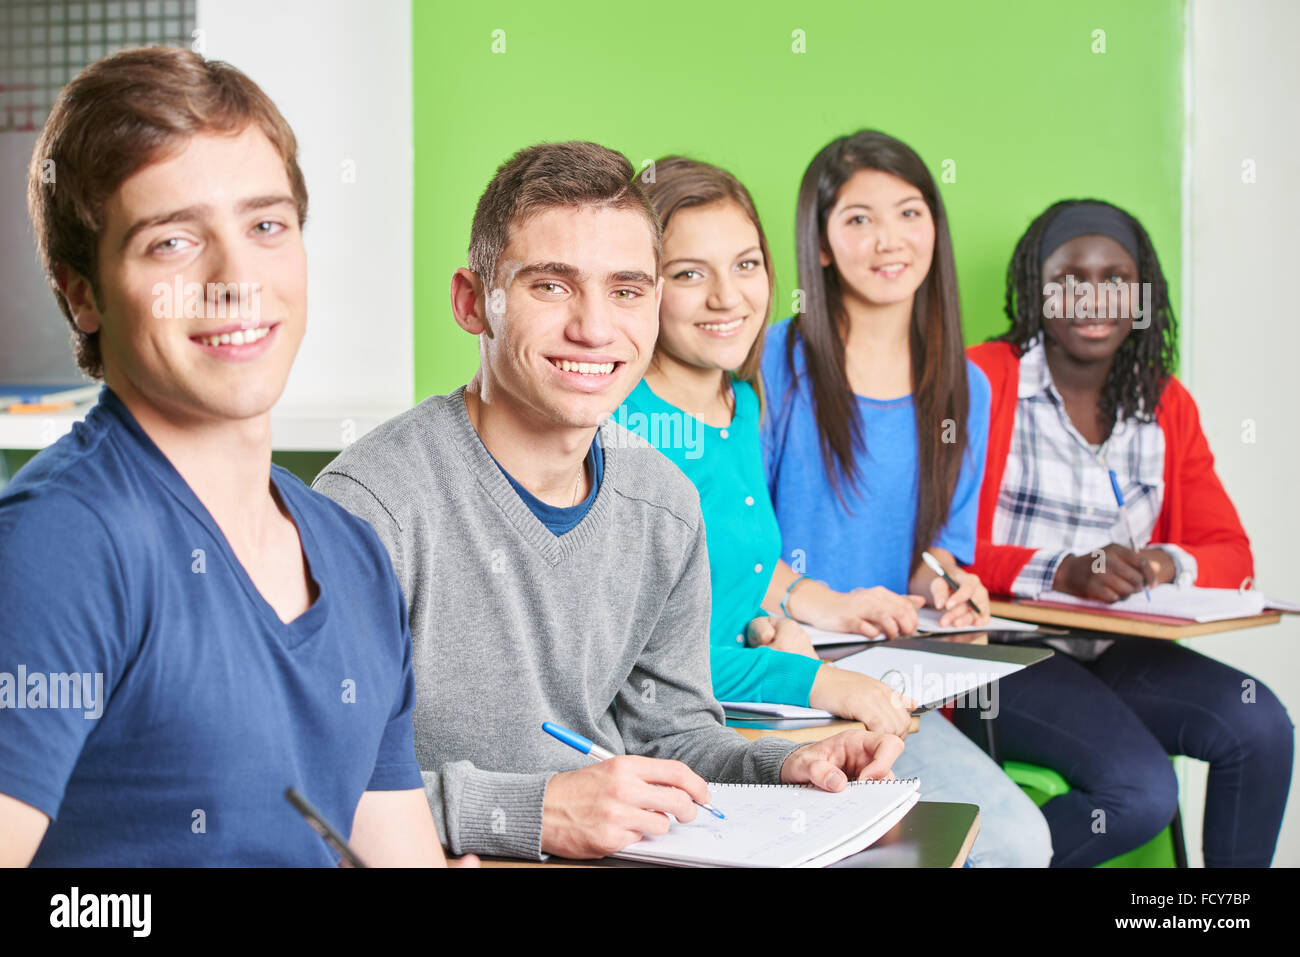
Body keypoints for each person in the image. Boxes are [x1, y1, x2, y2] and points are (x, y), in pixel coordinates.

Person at [313, 140, 905, 862]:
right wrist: (537, 810)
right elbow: (307, 783)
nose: (594, 328)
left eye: (626, 290)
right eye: (550, 286)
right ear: (473, 303)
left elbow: (672, 735)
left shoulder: (665, 504)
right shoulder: (368, 507)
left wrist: (782, 765)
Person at [0, 48, 450, 867]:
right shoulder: (60, 546)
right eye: (172, 241)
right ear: (82, 292)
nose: (236, 277)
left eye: (266, 226)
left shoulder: (354, 557)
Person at [622, 153, 1048, 866]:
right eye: (689, 273)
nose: (726, 297)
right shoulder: (627, 428)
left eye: (746, 265)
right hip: (703, 729)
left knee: (1010, 840)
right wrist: (819, 676)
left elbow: (741, 572)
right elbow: (648, 663)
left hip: (777, 699)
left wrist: (807, 612)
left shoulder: (739, 403)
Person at [961, 198, 1293, 866]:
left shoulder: (1164, 402)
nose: (1093, 298)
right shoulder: (980, 379)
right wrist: (1061, 570)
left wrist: (1160, 565)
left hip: (1114, 653)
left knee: (1260, 725)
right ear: (1035, 289)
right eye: (1069, 279)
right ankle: (982, 855)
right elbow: (933, 553)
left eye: (1115, 279)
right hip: (998, 658)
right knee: (1140, 792)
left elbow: (1231, 554)